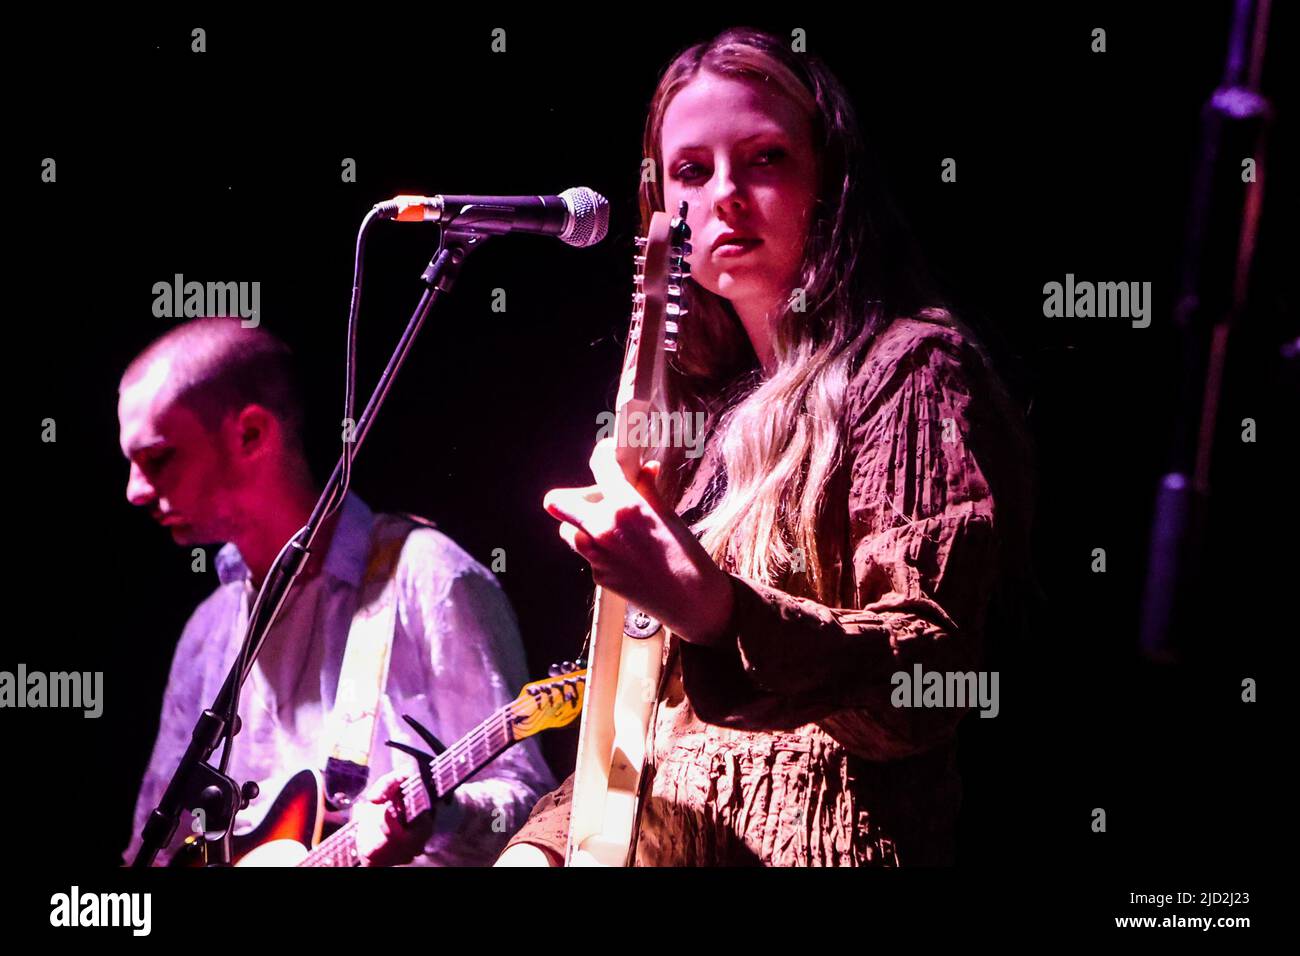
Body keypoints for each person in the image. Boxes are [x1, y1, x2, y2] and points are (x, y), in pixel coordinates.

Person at [497, 27, 1033, 866]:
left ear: (832, 181)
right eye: (691, 171)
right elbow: (646, 726)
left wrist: (716, 610)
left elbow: (933, 679)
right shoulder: (700, 437)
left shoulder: (909, 369)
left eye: (766, 159)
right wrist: (543, 845)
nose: (726, 195)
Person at [119, 317, 554, 866]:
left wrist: (438, 818)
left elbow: (535, 808)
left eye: (158, 458)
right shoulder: (207, 631)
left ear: (251, 434)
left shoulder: (428, 576)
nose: (134, 491)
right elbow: (152, 845)